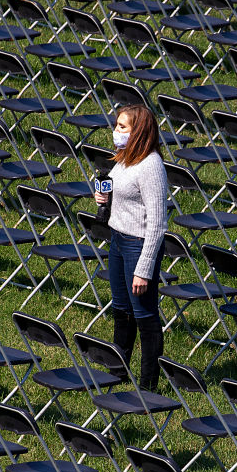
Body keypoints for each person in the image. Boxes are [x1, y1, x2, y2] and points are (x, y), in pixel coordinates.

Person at [94, 105, 168, 391]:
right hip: (118, 240)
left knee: (144, 315)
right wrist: (104, 198)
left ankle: (149, 385)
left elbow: (158, 223)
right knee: (121, 310)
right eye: (117, 125)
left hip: (138, 245)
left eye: (122, 127)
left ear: (139, 131)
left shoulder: (151, 165)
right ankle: (118, 371)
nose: (116, 131)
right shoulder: (124, 158)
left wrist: (144, 269)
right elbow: (122, 195)